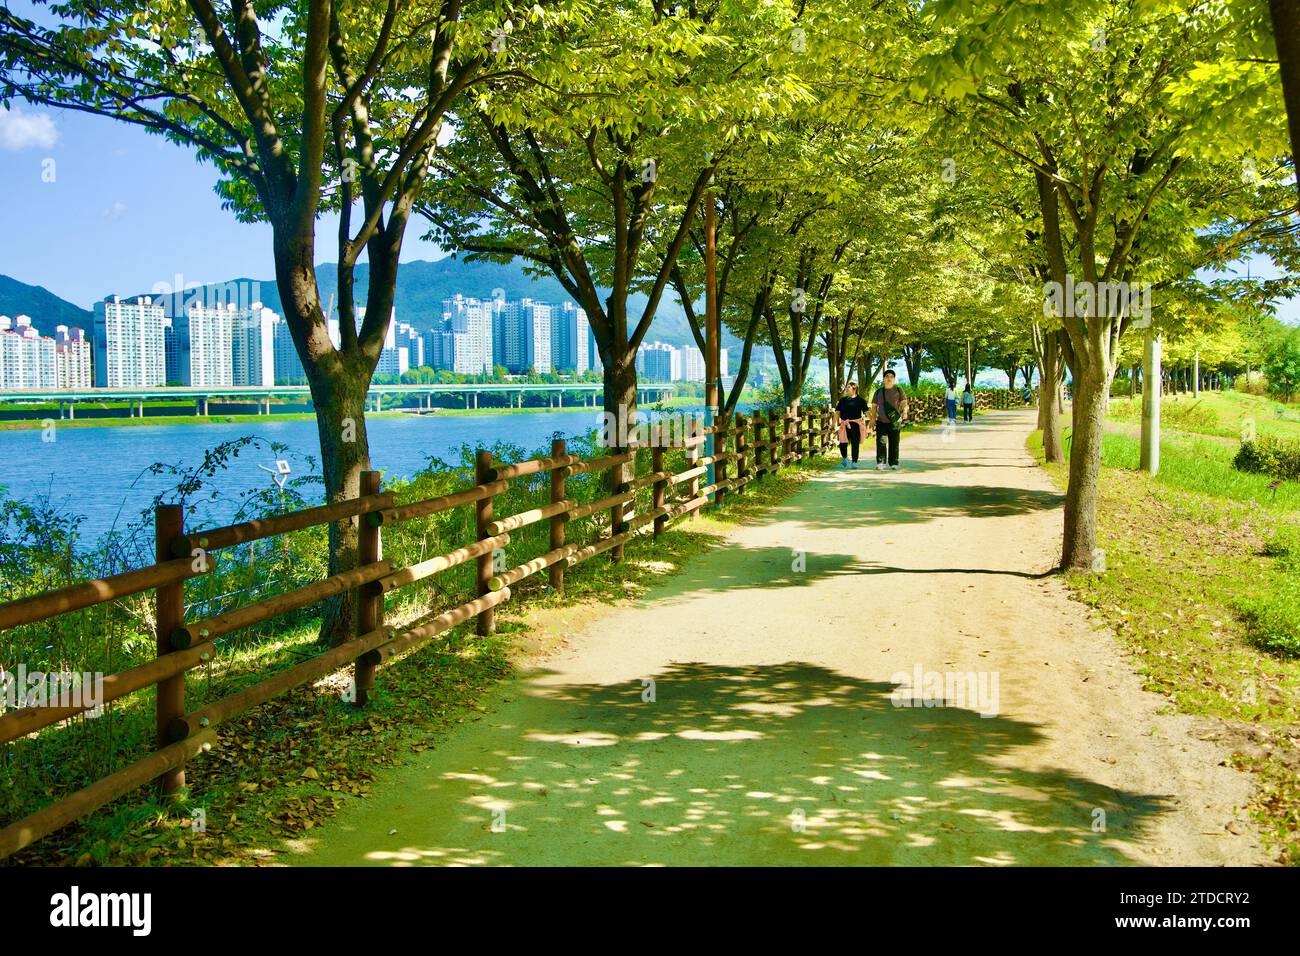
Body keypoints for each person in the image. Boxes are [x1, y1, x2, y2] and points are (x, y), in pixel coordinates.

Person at [871, 369, 909, 470]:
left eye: (891, 377)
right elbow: (874, 406)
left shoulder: (898, 390)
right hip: (881, 421)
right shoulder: (878, 392)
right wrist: (872, 419)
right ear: (883, 379)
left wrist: (905, 412)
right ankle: (881, 463)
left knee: (894, 442)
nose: (889, 378)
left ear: (894, 379)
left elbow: (904, 403)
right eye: (887, 376)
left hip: (895, 422)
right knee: (881, 442)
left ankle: (894, 463)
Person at [835, 382, 868, 468]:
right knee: (842, 443)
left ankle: (854, 462)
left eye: (849, 387)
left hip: (856, 425)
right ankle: (844, 457)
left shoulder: (861, 400)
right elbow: (837, 413)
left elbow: (866, 411)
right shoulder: (842, 400)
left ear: (855, 389)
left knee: (855, 443)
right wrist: (833, 424)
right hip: (844, 424)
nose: (846, 389)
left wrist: (872, 419)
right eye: (847, 387)